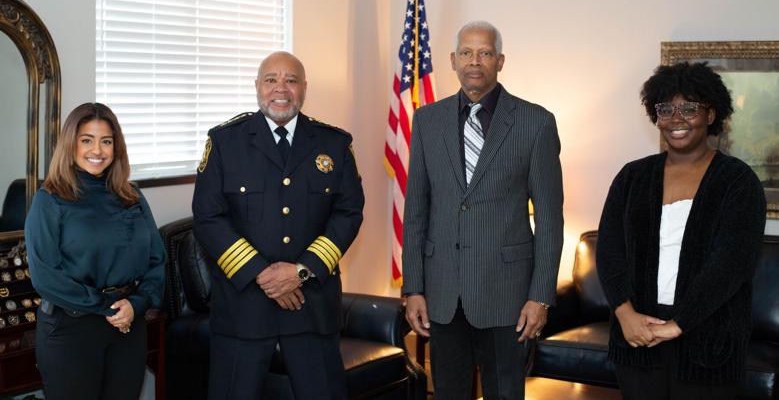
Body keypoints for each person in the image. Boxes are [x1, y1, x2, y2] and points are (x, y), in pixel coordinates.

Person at [402, 21, 564, 399]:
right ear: (453, 61)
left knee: (505, 393)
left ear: (500, 61)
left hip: (506, 295)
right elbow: (415, 213)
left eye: (485, 53)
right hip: (442, 294)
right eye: (466, 53)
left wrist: (540, 296)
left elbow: (550, 219)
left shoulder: (536, 122)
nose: (475, 61)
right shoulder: (427, 120)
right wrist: (414, 288)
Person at [192, 51, 364, 400]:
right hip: (244, 307)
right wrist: (263, 275)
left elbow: (348, 213)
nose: (280, 88)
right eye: (271, 79)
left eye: (291, 80)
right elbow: (208, 216)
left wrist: (301, 271)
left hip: (311, 305)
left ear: (304, 88)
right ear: (257, 86)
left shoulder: (334, 143)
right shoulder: (226, 142)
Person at [596, 62, 767, 399]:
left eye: (689, 108)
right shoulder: (632, 177)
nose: (677, 118)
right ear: (654, 115)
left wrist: (680, 324)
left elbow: (732, 264)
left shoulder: (737, 181)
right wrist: (624, 313)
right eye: (666, 108)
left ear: (711, 114)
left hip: (709, 340)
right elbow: (610, 251)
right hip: (637, 337)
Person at [24, 102, 166, 400]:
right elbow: (46, 276)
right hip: (71, 329)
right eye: (86, 140)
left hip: (128, 325)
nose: (97, 150)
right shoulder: (50, 200)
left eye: (106, 141)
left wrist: (136, 304)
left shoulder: (133, 196)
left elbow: (157, 262)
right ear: (70, 144)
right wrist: (107, 307)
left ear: (116, 147)